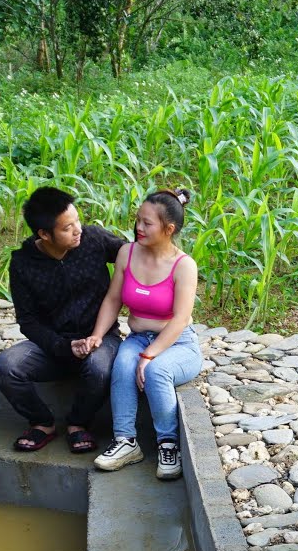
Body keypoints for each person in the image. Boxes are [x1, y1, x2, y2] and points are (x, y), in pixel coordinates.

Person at [74, 189, 202, 481]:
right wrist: (97, 335)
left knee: (156, 372)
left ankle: (167, 445)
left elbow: (181, 319)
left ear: (169, 229)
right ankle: (125, 442)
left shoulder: (184, 266)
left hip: (178, 344)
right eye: (137, 221)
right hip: (137, 337)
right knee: (122, 364)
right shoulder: (126, 253)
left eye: (147, 223)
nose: (138, 228)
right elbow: (112, 300)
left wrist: (149, 355)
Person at [0, 187, 125, 453]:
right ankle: (42, 423)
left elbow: (135, 256)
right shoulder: (23, 263)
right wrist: (63, 346)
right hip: (53, 346)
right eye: (67, 228)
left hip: (101, 339)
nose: (78, 230)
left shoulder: (94, 239)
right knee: (6, 366)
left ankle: (78, 424)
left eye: (77, 221)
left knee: (99, 368)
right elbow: (27, 320)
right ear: (44, 234)